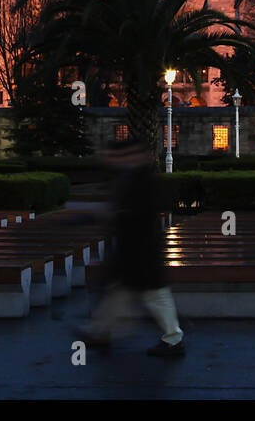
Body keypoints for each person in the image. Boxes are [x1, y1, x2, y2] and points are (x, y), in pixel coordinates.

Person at [79, 140, 185, 357]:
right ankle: (100, 331)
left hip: (141, 247)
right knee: (124, 291)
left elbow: (138, 212)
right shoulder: (134, 176)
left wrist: (115, 215)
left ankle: (173, 339)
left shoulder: (141, 180)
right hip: (135, 246)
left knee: (151, 293)